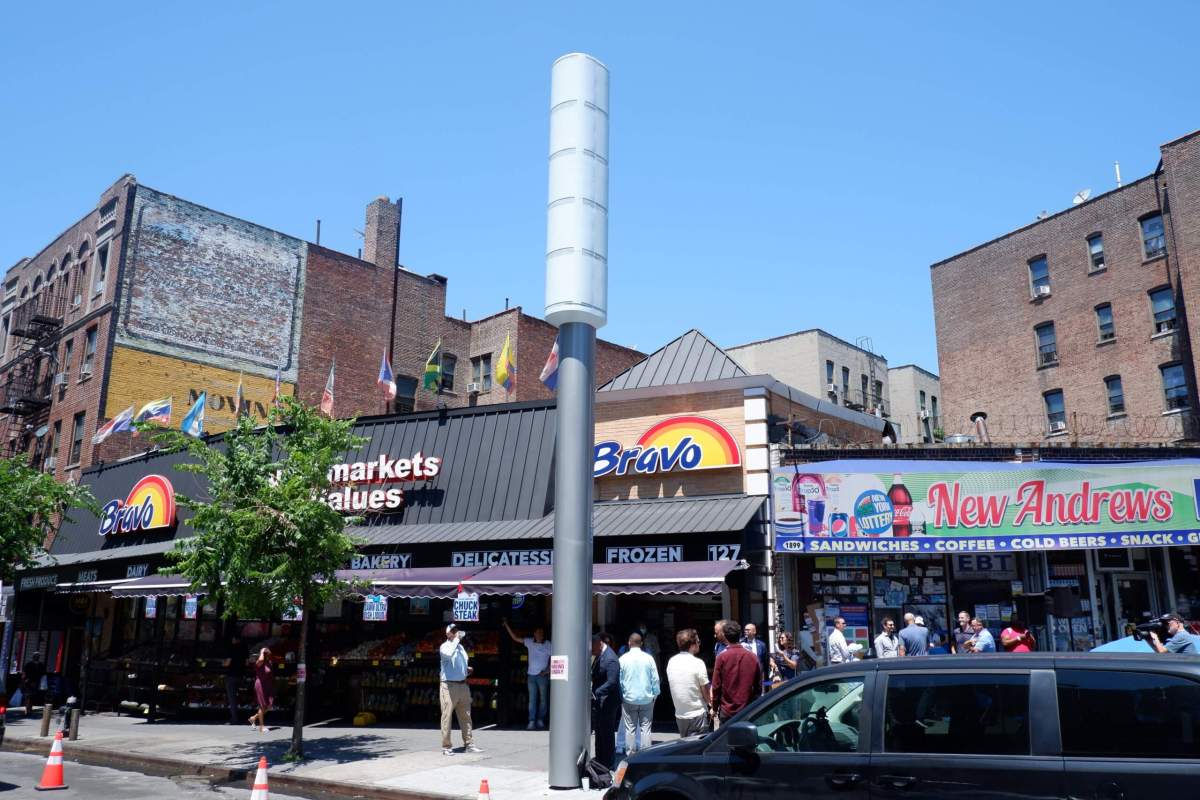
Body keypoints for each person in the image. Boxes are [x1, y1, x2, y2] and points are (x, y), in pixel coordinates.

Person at [502, 619, 552, 730]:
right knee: (532, 699)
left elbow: (555, 659)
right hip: (531, 675)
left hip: (542, 675)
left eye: (541, 633)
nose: (539, 634)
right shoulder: (530, 642)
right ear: (534, 634)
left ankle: (540, 719)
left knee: (543, 699)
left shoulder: (548, 644)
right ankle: (532, 720)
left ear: (543, 634)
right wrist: (506, 626)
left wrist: (548, 670)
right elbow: (515, 638)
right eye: (537, 632)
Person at [439, 624, 480, 755]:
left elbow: (461, 662)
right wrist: (457, 639)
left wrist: (466, 669)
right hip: (449, 686)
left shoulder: (461, 647)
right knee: (447, 716)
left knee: (466, 716)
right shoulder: (444, 647)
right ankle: (446, 746)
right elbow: (449, 655)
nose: (455, 633)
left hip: (463, 684)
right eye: (452, 631)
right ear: (447, 634)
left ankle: (469, 743)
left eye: (456, 630)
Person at [711, 621, 761, 723]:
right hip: (747, 709)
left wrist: (715, 707)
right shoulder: (752, 657)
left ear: (725, 636)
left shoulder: (721, 657)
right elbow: (758, 686)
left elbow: (716, 686)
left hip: (727, 710)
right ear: (740, 635)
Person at [619, 633, 660, 754]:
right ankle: (645, 754)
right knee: (646, 728)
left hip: (629, 699)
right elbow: (655, 679)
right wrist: (655, 695)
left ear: (629, 643)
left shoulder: (622, 659)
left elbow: (619, 680)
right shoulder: (649, 658)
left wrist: (622, 696)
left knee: (630, 728)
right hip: (647, 699)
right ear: (641, 644)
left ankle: (630, 754)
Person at [666, 629, 711, 737]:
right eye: (698, 642)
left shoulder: (672, 661)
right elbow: (705, 689)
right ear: (692, 645)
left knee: (685, 747)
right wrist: (711, 704)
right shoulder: (698, 663)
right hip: (697, 714)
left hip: (680, 714)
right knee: (697, 749)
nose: (699, 644)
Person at [591, 633, 622, 768]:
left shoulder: (610, 659)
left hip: (609, 700)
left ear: (599, 644)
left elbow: (612, 682)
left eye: (592, 649)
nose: (591, 652)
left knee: (607, 732)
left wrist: (596, 692)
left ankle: (608, 763)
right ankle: (600, 759)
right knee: (599, 730)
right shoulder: (599, 654)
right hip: (601, 700)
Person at [223, 633, 249, 725]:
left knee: (232, 698)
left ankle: (234, 718)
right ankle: (244, 715)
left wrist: (223, 663)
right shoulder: (245, 648)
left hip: (231, 675)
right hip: (241, 675)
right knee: (240, 696)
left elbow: (227, 663)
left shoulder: (232, 648)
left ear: (234, 639)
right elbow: (247, 663)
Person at [248, 647, 274, 733]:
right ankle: (261, 728)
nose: (268, 653)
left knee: (269, 705)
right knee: (262, 706)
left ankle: (253, 718)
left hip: (268, 685)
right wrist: (262, 651)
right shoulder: (259, 662)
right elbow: (261, 659)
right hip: (260, 685)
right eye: (267, 653)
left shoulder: (268, 662)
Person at [21, 652, 45, 717]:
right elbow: (24, 673)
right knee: (28, 696)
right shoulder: (29, 664)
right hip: (28, 682)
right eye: (36, 656)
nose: (37, 657)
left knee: (32, 697)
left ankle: (29, 709)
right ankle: (27, 710)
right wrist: (24, 680)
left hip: (35, 682)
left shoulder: (40, 665)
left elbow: (42, 674)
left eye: (38, 656)